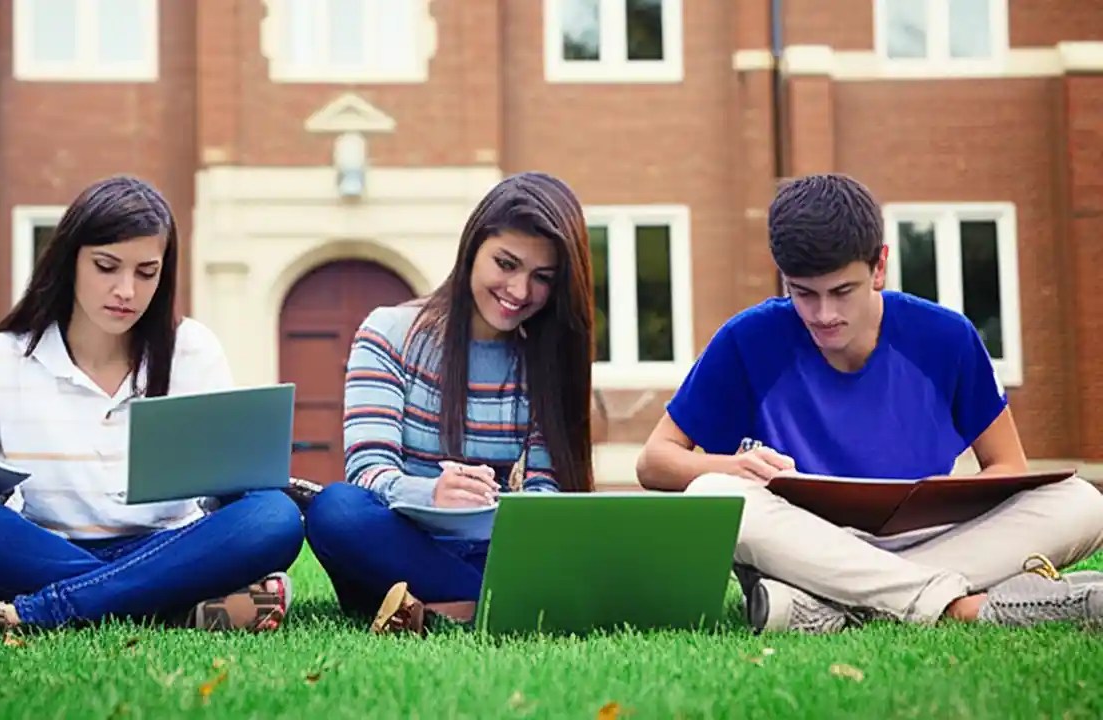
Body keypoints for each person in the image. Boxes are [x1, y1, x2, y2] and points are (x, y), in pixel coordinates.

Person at [636, 173, 1103, 634]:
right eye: (803, 294)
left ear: (879, 267)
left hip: (923, 540)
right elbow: (655, 462)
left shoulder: (946, 337)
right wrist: (730, 468)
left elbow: (1007, 466)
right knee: (716, 494)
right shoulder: (747, 338)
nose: (824, 315)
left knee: (1080, 503)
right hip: (803, 545)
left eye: (842, 291)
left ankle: (823, 607)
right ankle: (955, 606)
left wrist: (949, 497)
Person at [0, 175, 304, 636]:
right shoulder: (3, 355)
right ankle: (170, 604)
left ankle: (35, 612)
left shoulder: (193, 349)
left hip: (170, 546)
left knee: (275, 516)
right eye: (107, 267)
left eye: (146, 272)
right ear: (70, 262)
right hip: (43, 547)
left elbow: (224, 492)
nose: (126, 290)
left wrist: (250, 475)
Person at [302, 171, 596, 635]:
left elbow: (547, 494)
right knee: (336, 509)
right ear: (472, 248)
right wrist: (434, 494)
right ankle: (502, 606)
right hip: (398, 543)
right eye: (506, 263)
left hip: (493, 550)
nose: (519, 292)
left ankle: (444, 607)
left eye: (542, 278)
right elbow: (369, 471)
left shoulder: (546, 360)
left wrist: (503, 506)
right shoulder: (389, 333)